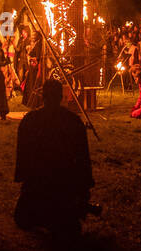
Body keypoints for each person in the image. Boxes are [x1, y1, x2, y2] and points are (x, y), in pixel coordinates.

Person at [14, 79, 93, 240]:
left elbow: (22, 155)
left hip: (42, 182)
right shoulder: (73, 121)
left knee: (27, 217)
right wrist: (84, 186)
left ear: (43, 97)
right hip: (62, 183)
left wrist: (24, 177)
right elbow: (83, 157)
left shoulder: (30, 120)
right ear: (61, 97)